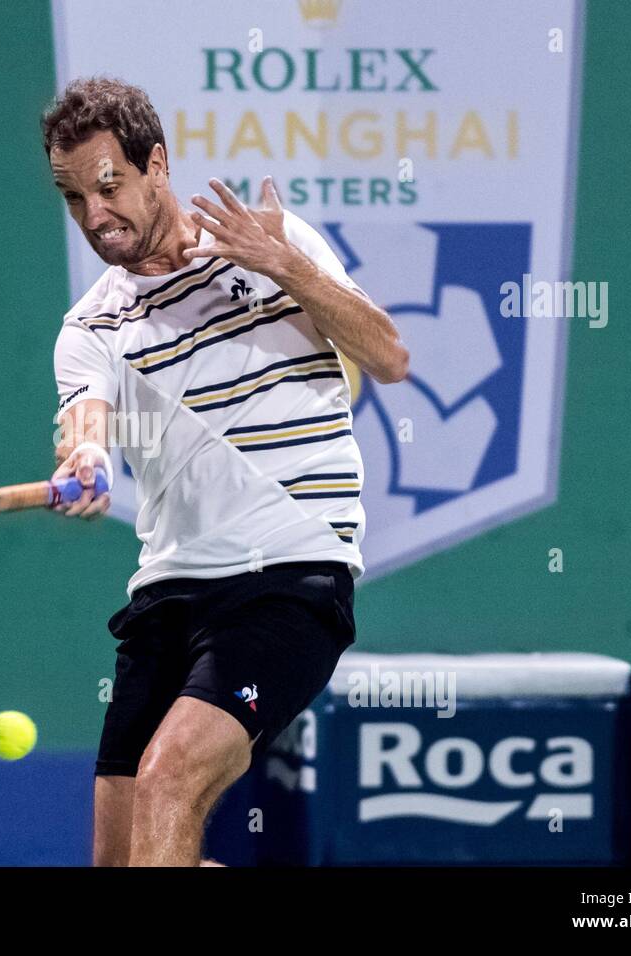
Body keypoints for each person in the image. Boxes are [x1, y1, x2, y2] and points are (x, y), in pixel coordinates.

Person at [41, 77, 408, 867]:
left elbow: (388, 356)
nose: (95, 217)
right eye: (74, 200)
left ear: (157, 164)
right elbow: (86, 423)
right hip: (169, 593)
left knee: (171, 777)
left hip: (290, 575)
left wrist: (285, 264)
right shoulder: (90, 326)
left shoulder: (272, 244)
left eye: (108, 187)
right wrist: (88, 456)